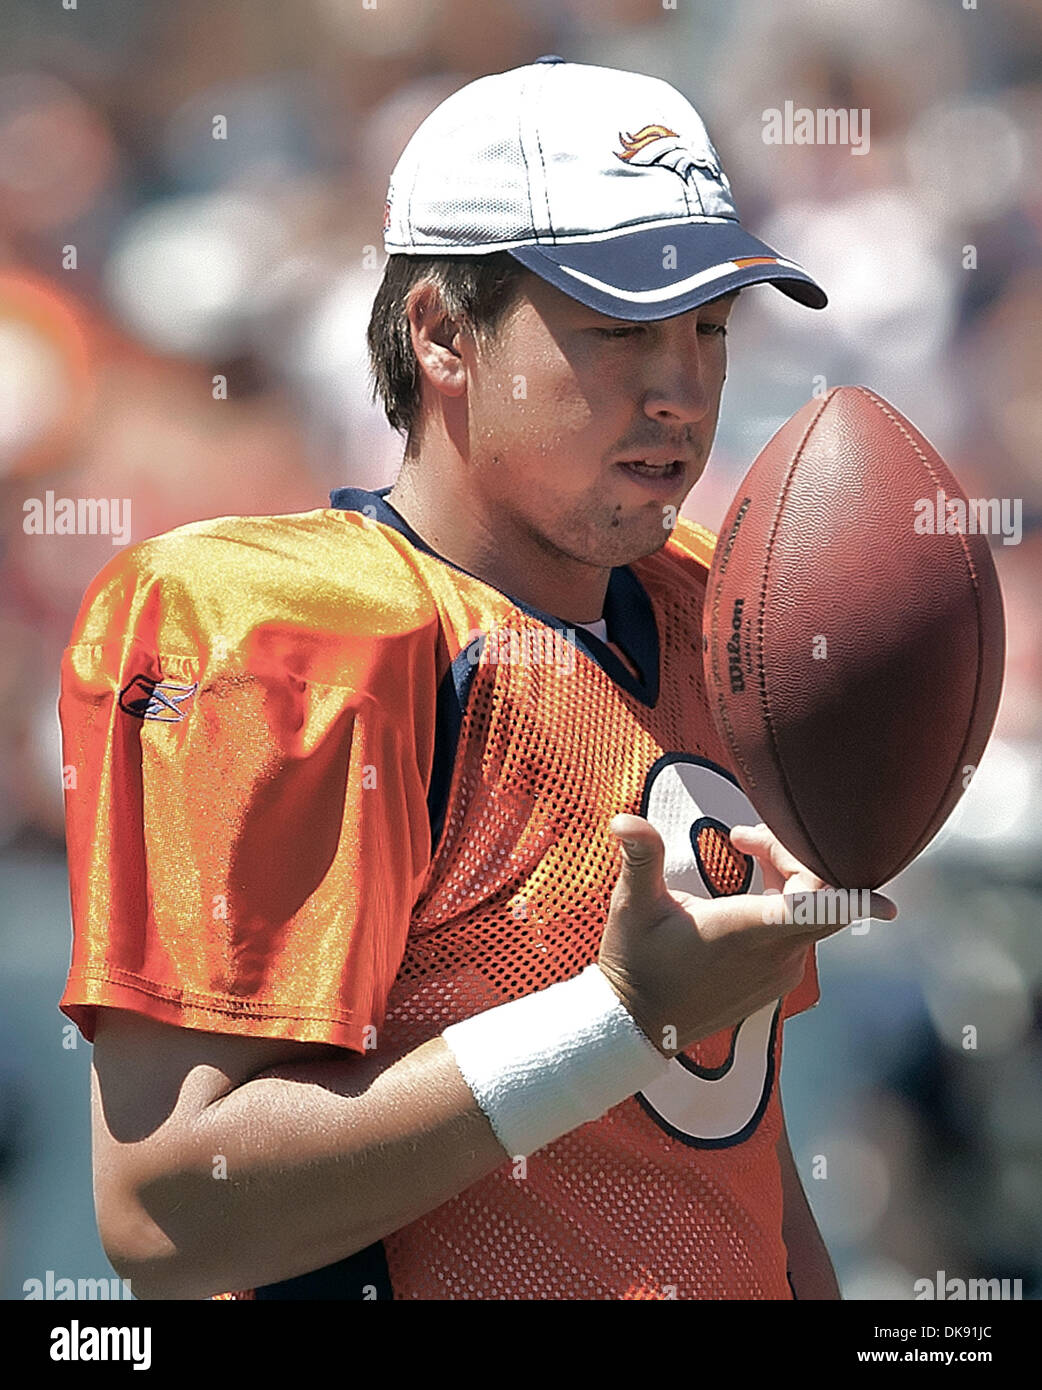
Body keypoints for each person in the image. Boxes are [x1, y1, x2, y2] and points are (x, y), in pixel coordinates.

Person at [58, 56, 895, 1300]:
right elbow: (172, 1211)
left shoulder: (724, 617)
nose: (682, 389)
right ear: (443, 332)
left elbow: (728, 1154)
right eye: (620, 328)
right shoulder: (281, 633)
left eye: (709, 327)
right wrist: (615, 1019)